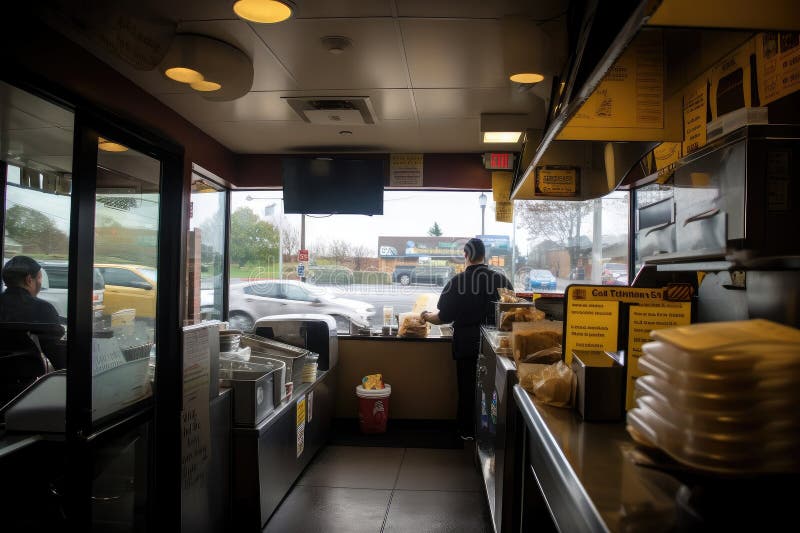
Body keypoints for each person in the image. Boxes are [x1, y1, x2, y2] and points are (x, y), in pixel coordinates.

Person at [420, 238, 512, 440]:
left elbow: (443, 317)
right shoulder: (502, 281)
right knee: (494, 392)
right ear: (483, 255)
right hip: (496, 347)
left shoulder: (457, 281)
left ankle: (467, 431)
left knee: (467, 390)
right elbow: (512, 314)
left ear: (466, 255)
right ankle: (492, 433)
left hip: (467, 345)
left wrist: (426, 316)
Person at [0, 255, 65, 368]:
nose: (40, 283)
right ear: (29, 280)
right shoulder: (43, 309)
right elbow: (57, 356)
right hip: (29, 381)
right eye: (40, 278)